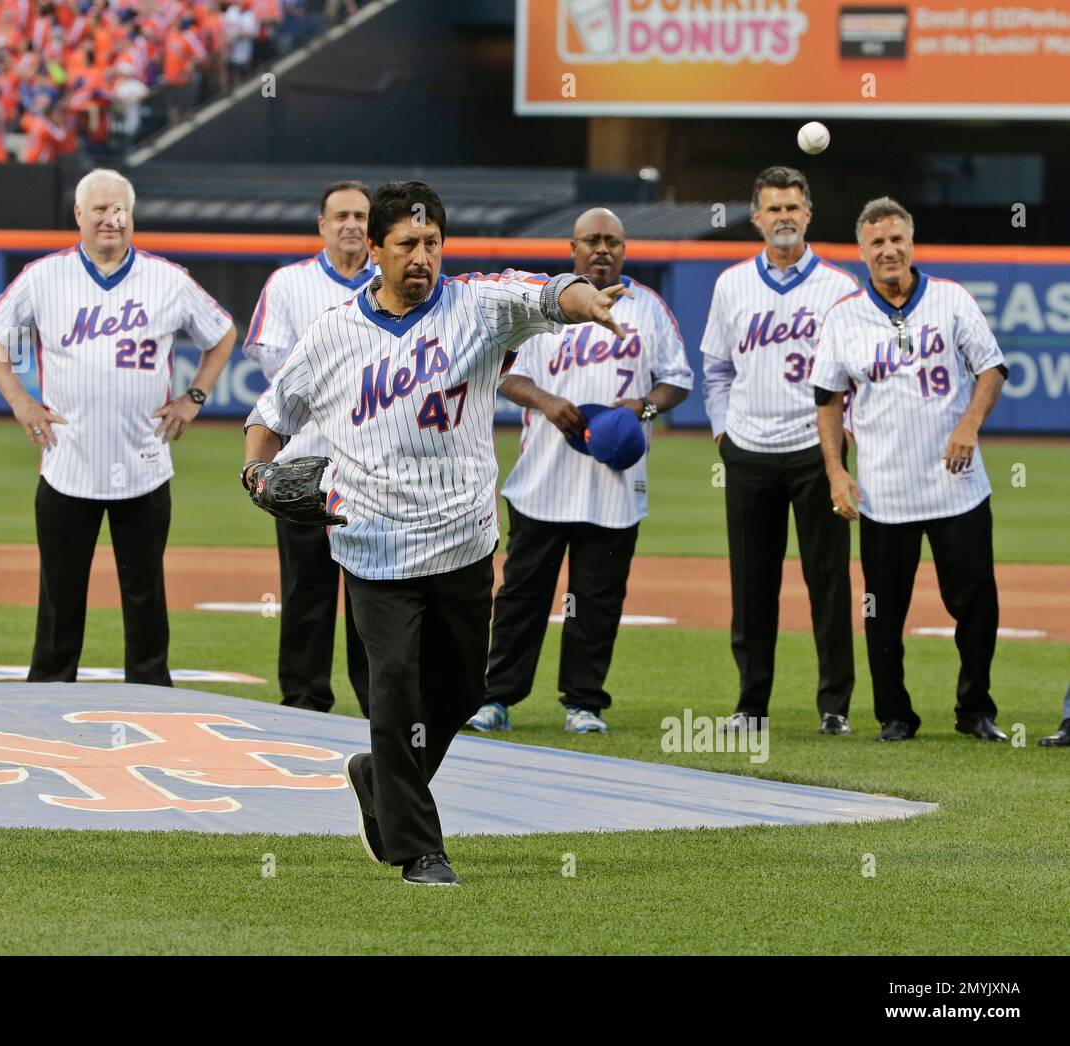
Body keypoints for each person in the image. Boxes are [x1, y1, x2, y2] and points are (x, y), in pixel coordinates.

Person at [241, 181, 629, 885]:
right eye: (407, 245)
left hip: (462, 542)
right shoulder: (332, 332)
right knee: (392, 690)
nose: (423, 257)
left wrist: (587, 302)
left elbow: (551, 295)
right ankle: (422, 849)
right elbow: (272, 414)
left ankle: (379, 780)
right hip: (371, 542)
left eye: (432, 243)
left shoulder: (479, 307)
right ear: (377, 252)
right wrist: (256, 471)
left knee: (455, 696)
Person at [0, 168, 236, 687]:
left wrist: (195, 397)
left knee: (145, 593)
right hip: (67, 462)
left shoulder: (167, 279)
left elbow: (223, 333)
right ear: (78, 215)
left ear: (132, 217)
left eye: (119, 209)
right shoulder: (45, 275)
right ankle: (49, 693)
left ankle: (149, 695)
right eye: (99, 209)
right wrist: (19, 401)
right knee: (60, 593)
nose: (110, 219)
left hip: (143, 462)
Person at [467, 208, 692, 735]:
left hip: (614, 487)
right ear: (573, 247)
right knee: (521, 597)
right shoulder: (544, 304)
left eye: (613, 241)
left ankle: (583, 703)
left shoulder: (649, 309)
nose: (602, 249)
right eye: (592, 240)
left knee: (597, 601)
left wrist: (644, 408)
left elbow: (678, 379)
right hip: (543, 481)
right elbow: (503, 374)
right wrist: (544, 399)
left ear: (624, 250)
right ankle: (496, 698)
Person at [813, 197, 1008, 743]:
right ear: (862, 252)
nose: (889, 250)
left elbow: (992, 369)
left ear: (911, 243)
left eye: (897, 239)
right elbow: (827, 400)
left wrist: (969, 425)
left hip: (957, 489)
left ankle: (975, 710)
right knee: (882, 614)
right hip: (884, 493)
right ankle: (895, 715)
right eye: (877, 242)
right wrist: (836, 472)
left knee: (977, 605)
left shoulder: (950, 299)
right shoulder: (844, 316)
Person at [700, 166, 860, 735]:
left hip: (817, 453)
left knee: (829, 581)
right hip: (749, 448)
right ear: (757, 217)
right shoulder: (731, 284)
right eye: (773, 208)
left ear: (808, 213)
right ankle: (751, 705)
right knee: (752, 582)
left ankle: (834, 705)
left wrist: (847, 438)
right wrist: (723, 433)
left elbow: (858, 376)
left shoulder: (840, 288)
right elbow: (716, 368)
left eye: (793, 207)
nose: (784, 217)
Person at [242, 181, 375, 716]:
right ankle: (303, 699)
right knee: (303, 591)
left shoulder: (393, 283)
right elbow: (267, 352)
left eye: (362, 216)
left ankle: (377, 701)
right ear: (321, 224)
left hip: (371, 469)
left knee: (374, 592)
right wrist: (329, 380)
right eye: (340, 215)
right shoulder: (289, 283)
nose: (351, 224)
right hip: (302, 466)